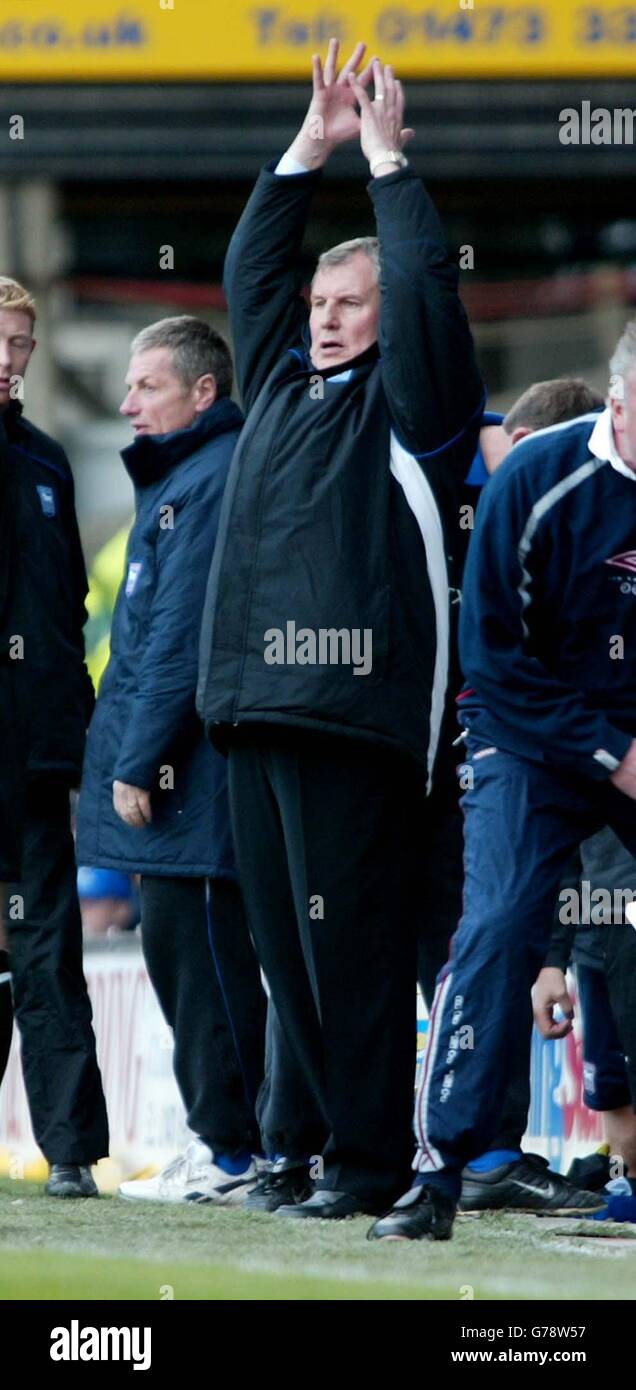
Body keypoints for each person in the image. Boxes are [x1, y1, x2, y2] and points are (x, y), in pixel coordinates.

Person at [197, 39, 484, 1218]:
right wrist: (303, 150)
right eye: (317, 303)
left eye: (345, 303)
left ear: (384, 317)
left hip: (354, 713)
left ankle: (369, 1165)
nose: (321, 318)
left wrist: (383, 163)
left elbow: (420, 286)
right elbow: (251, 276)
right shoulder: (274, 381)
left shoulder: (413, 405)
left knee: (350, 962)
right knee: (284, 957)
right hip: (250, 705)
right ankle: (305, 1153)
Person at [369, 321, 636, 1240]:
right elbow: (495, 660)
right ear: (620, 401)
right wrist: (612, 753)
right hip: (527, 731)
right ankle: (441, 1170)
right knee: (500, 922)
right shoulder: (537, 480)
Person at [77, 317, 267, 1203]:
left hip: (192, 779)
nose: (126, 404)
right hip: (176, 775)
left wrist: (141, 758)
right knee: (183, 959)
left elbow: (181, 640)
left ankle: (236, 1151)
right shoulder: (182, 480)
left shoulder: (211, 480)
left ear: (203, 392)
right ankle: (224, 1141)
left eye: (146, 386)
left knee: (206, 962)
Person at [0, 276, 108, 1197]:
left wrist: (72, 728)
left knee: (45, 953)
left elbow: (67, 607)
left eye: (22, 343)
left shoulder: (44, 460)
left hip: (34, 753)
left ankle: (70, 1153)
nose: (9, 358)